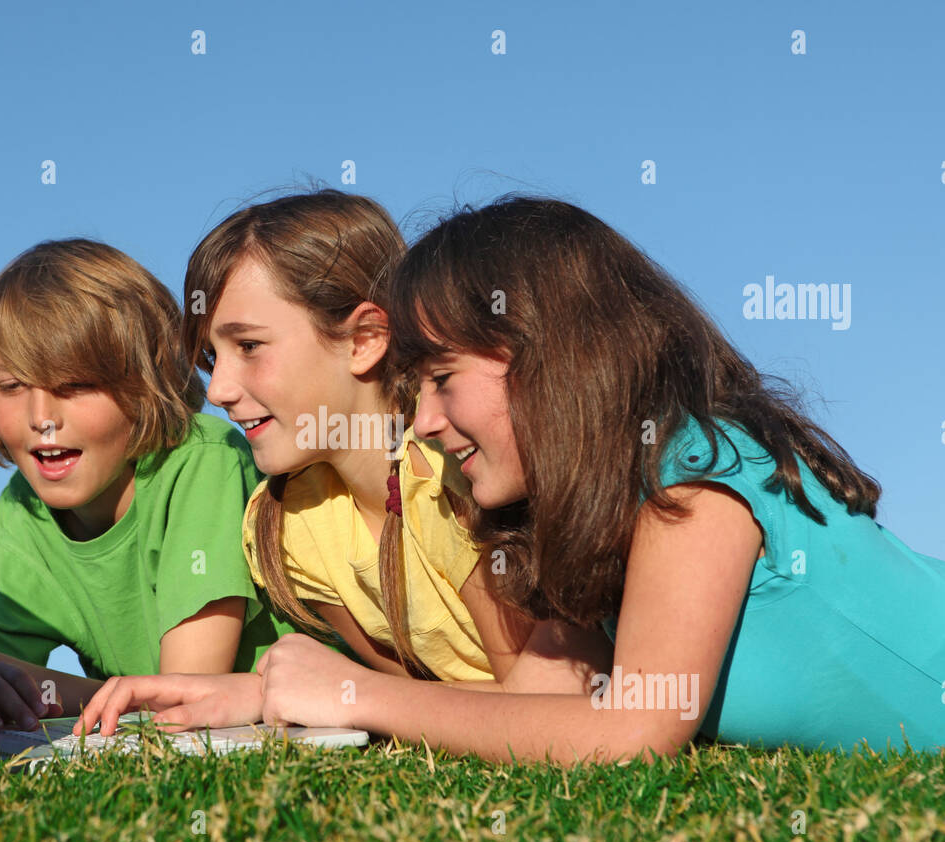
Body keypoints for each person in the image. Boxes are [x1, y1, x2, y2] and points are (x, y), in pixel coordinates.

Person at [243, 195, 945, 763]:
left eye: (442, 378)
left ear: (549, 356)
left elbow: (631, 733)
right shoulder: (577, 512)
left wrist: (358, 692)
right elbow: (539, 710)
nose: (426, 421)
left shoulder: (694, 477)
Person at [74, 190, 611, 737]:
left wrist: (315, 692)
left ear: (364, 339)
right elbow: (412, 692)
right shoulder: (292, 523)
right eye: (215, 358)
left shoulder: (452, 476)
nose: (221, 391)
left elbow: (553, 699)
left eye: (251, 346)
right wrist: (265, 691)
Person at [0, 239, 301, 731]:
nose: (41, 419)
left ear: (148, 384)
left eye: (74, 384)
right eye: (13, 386)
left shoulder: (201, 462)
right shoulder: (24, 512)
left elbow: (184, 698)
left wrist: (2, 673)